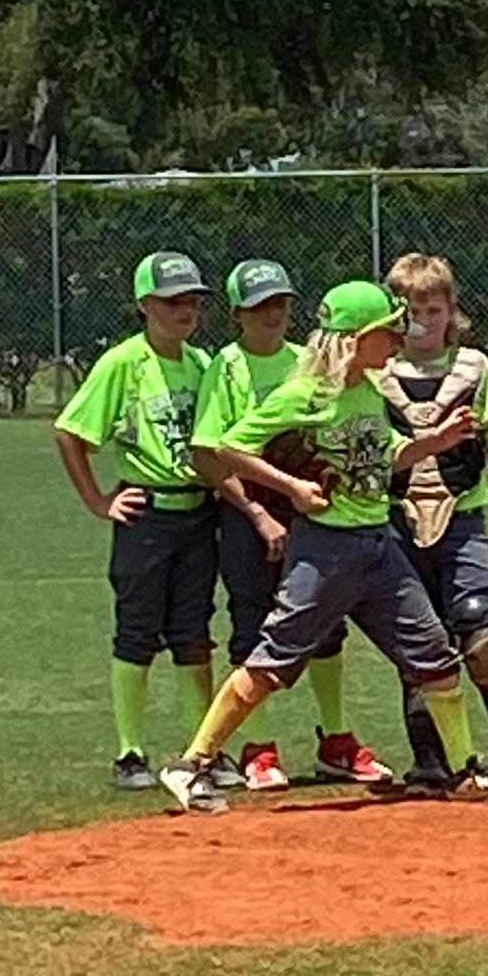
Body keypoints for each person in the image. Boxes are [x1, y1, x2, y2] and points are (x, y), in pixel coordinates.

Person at [158, 280, 488, 814]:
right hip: (325, 552)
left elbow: (383, 458)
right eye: (387, 330)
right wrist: (290, 489)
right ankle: (192, 763)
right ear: (355, 338)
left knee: (434, 656)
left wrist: (435, 442)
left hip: (378, 545)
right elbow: (230, 445)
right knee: (273, 660)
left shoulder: (367, 390)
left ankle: (466, 769)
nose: (398, 338)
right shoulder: (304, 392)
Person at [191, 258, 389, 795]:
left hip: (316, 508)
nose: (273, 313)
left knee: (326, 625)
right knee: (255, 626)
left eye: (280, 302)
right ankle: (258, 749)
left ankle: (336, 739)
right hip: (251, 509)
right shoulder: (226, 367)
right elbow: (210, 451)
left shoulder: (310, 360)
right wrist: (257, 513)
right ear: (237, 314)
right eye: (259, 305)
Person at [380, 252, 488, 795]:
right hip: (396, 523)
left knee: (486, 639)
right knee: (421, 642)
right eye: (411, 312)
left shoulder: (476, 371)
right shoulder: (373, 374)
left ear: (451, 310)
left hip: (462, 521)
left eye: (434, 310)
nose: (423, 322)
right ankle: (432, 762)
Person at [54, 252, 219, 791]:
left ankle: (201, 751)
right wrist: (99, 501)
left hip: (198, 513)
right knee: (138, 632)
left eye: (192, 299)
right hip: (146, 513)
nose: (184, 309)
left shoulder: (201, 363)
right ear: (144, 305)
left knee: (194, 636)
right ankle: (130, 751)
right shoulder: (123, 363)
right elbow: (71, 432)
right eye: (173, 300)